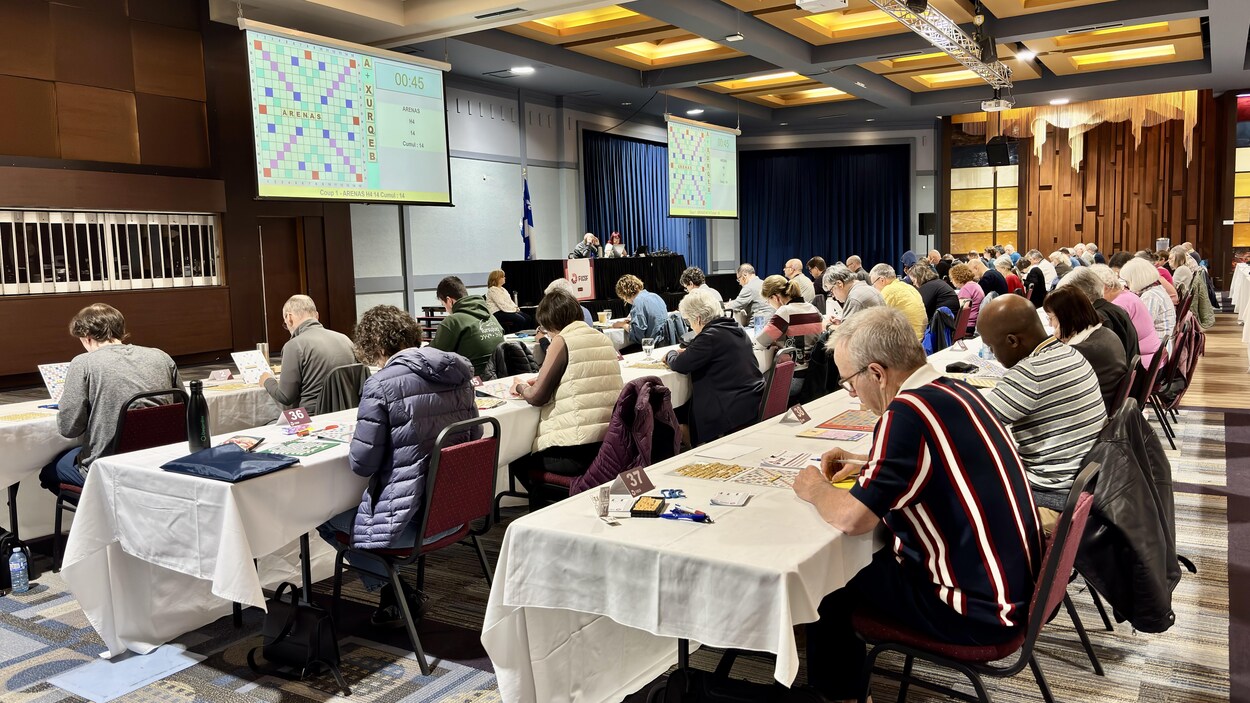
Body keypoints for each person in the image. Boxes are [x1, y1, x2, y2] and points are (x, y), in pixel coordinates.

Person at [795, 306, 1041, 703]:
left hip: (975, 611)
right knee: (852, 565)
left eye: (849, 382)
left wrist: (813, 488)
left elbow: (853, 518)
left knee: (830, 580)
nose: (852, 392)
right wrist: (865, 462)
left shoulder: (906, 413)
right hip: (1009, 587)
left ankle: (842, 696)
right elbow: (943, 460)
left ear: (876, 373)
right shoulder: (955, 390)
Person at [318, 305, 479, 627]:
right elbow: (474, 436)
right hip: (455, 510)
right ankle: (396, 592)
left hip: (411, 519)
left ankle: (395, 589)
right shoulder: (458, 373)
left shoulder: (380, 385)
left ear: (375, 346)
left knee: (322, 517)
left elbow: (362, 465)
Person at [977, 295, 1107, 510]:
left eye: (991, 347)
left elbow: (971, 423)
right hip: (1080, 482)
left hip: (1051, 493)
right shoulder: (1069, 352)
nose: (992, 354)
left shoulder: (1031, 373)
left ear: (1012, 341)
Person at [39, 304, 181, 494]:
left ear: (86, 337)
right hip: (160, 459)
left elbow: (69, 428)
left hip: (109, 465)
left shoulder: (84, 363)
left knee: (50, 472)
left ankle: (105, 517)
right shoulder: (161, 357)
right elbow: (182, 409)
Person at [512, 290, 623, 477]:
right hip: (607, 446)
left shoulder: (562, 340)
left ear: (551, 321)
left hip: (575, 451)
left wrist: (519, 386)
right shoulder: (602, 338)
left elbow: (536, 397)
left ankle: (550, 502)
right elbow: (579, 377)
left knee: (515, 457)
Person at [665, 290, 763, 446]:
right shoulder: (734, 327)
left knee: (672, 416)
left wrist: (670, 354)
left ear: (697, 318)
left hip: (729, 408)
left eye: (689, 320)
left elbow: (680, 364)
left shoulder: (709, 337)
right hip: (750, 400)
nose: (690, 325)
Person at [258, 295, 356, 416]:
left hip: (311, 418)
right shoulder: (345, 339)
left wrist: (267, 380)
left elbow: (285, 397)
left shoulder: (294, 345)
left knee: (267, 421)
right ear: (317, 316)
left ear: (289, 318)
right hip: (348, 413)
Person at [1043, 287, 1127, 413]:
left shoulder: (1079, 351)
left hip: (1093, 413)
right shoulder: (1104, 333)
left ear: (1066, 317)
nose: (1050, 325)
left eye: (1051, 318)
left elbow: (1044, 371)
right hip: (1107, 404)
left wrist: (1055, 340)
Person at [756, 275, 824, 399]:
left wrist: (775, 341)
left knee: (753, 387)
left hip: (793, 377)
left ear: (775, 297)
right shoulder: (813, 309)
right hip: (812, 375)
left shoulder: (785, 312)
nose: (769, 304)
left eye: (768, 301)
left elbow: (760, 342)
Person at [1058, 267, 1139, 362]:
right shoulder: (1111, 308)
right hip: (1126, 368)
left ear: (1081, 295)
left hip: (1117, 372)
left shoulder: (1097, 317)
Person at [430, 276, 505, 377]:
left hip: (469, 382)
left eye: (443, 304)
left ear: (449, 301)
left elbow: (434, 356)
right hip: (497, 378)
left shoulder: (452, 321)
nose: (446, 309)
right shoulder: (491, 317)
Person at [1091, 263, 1161, 367]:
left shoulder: (1117, 305)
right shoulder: (1126, 295)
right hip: (1151, 358)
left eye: (1092, 289)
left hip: (1143, 364)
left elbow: (1113, 346)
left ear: (1105, 288)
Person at [1120, 257, 1176, 346]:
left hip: (1159, 347)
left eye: (1128, 281)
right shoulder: (1156, 289)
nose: (1127, 284)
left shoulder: (1150, 296)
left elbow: (1141, 328)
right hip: (1162, 342)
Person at [613, 274, 668, 352]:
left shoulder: (638, 302)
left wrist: (623, 325)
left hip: (652, 346)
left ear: (624, 294)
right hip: (666, 341)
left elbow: (638, 336)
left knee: (618, 352)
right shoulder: (655, 296)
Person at [870, 264, 926, 340]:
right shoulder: (908, 287)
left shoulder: (888, 290)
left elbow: (876, 320)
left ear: (882, 280)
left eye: (873, 284)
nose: (874, 288)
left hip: (907, 342)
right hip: (922, 338)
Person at [485, 269, 534, 333]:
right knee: (520, 320)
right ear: (497, 279)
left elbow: (510, 301)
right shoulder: (492, 290)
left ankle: (526, 334)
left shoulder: (503, 289)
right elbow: (501, 304)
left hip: (506, 310)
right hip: (497, 312)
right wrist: (513, 310)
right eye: (502, 277)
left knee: (528, 318)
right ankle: (515, 335)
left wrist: (515, 307)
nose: (505, 278)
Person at [949, 262, 984, 331]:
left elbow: (960, 311)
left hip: (967, 325)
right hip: (973, 322)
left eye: (952, 278)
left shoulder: (966, 289)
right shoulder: (974, 285)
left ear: (957, 277)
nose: (951, 281)